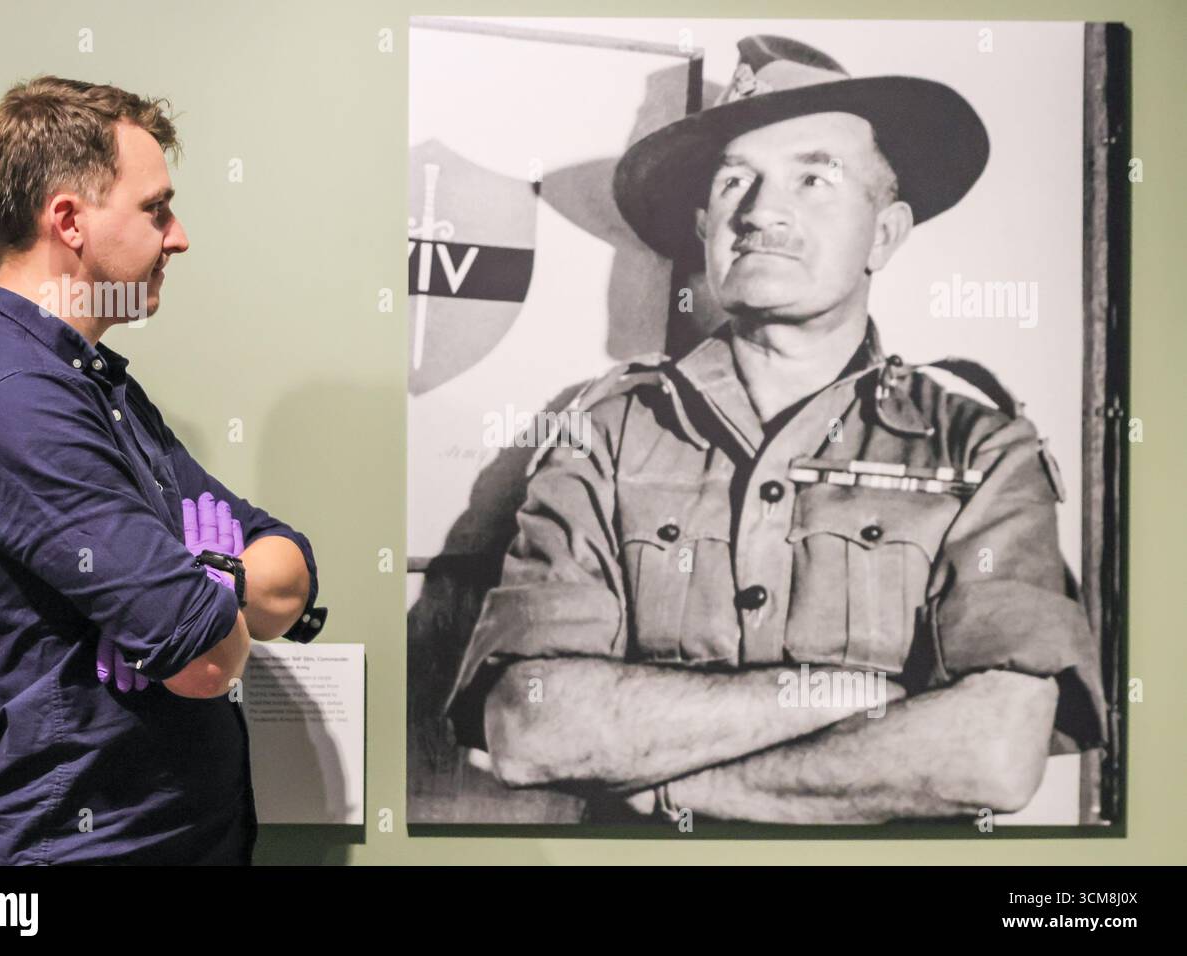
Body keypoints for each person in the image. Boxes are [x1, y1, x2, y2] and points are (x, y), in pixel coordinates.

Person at [444, 35, 1106, 823]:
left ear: (884, 235)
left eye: (815, 178)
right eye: (735, 182)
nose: (761, 212)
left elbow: (993, 753)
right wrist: (846, 694)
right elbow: (530, 725)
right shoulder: (606, 436)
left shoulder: (980, 451)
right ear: (704, 226)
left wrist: (669, 784)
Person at [0, 76, 326, 863]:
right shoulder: (15, 399)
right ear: (68, 220)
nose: (179, 237)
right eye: (155, 209)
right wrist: (204, 603)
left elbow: (290, 572)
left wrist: (201, 578)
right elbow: (207, 660)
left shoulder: (94, 386)